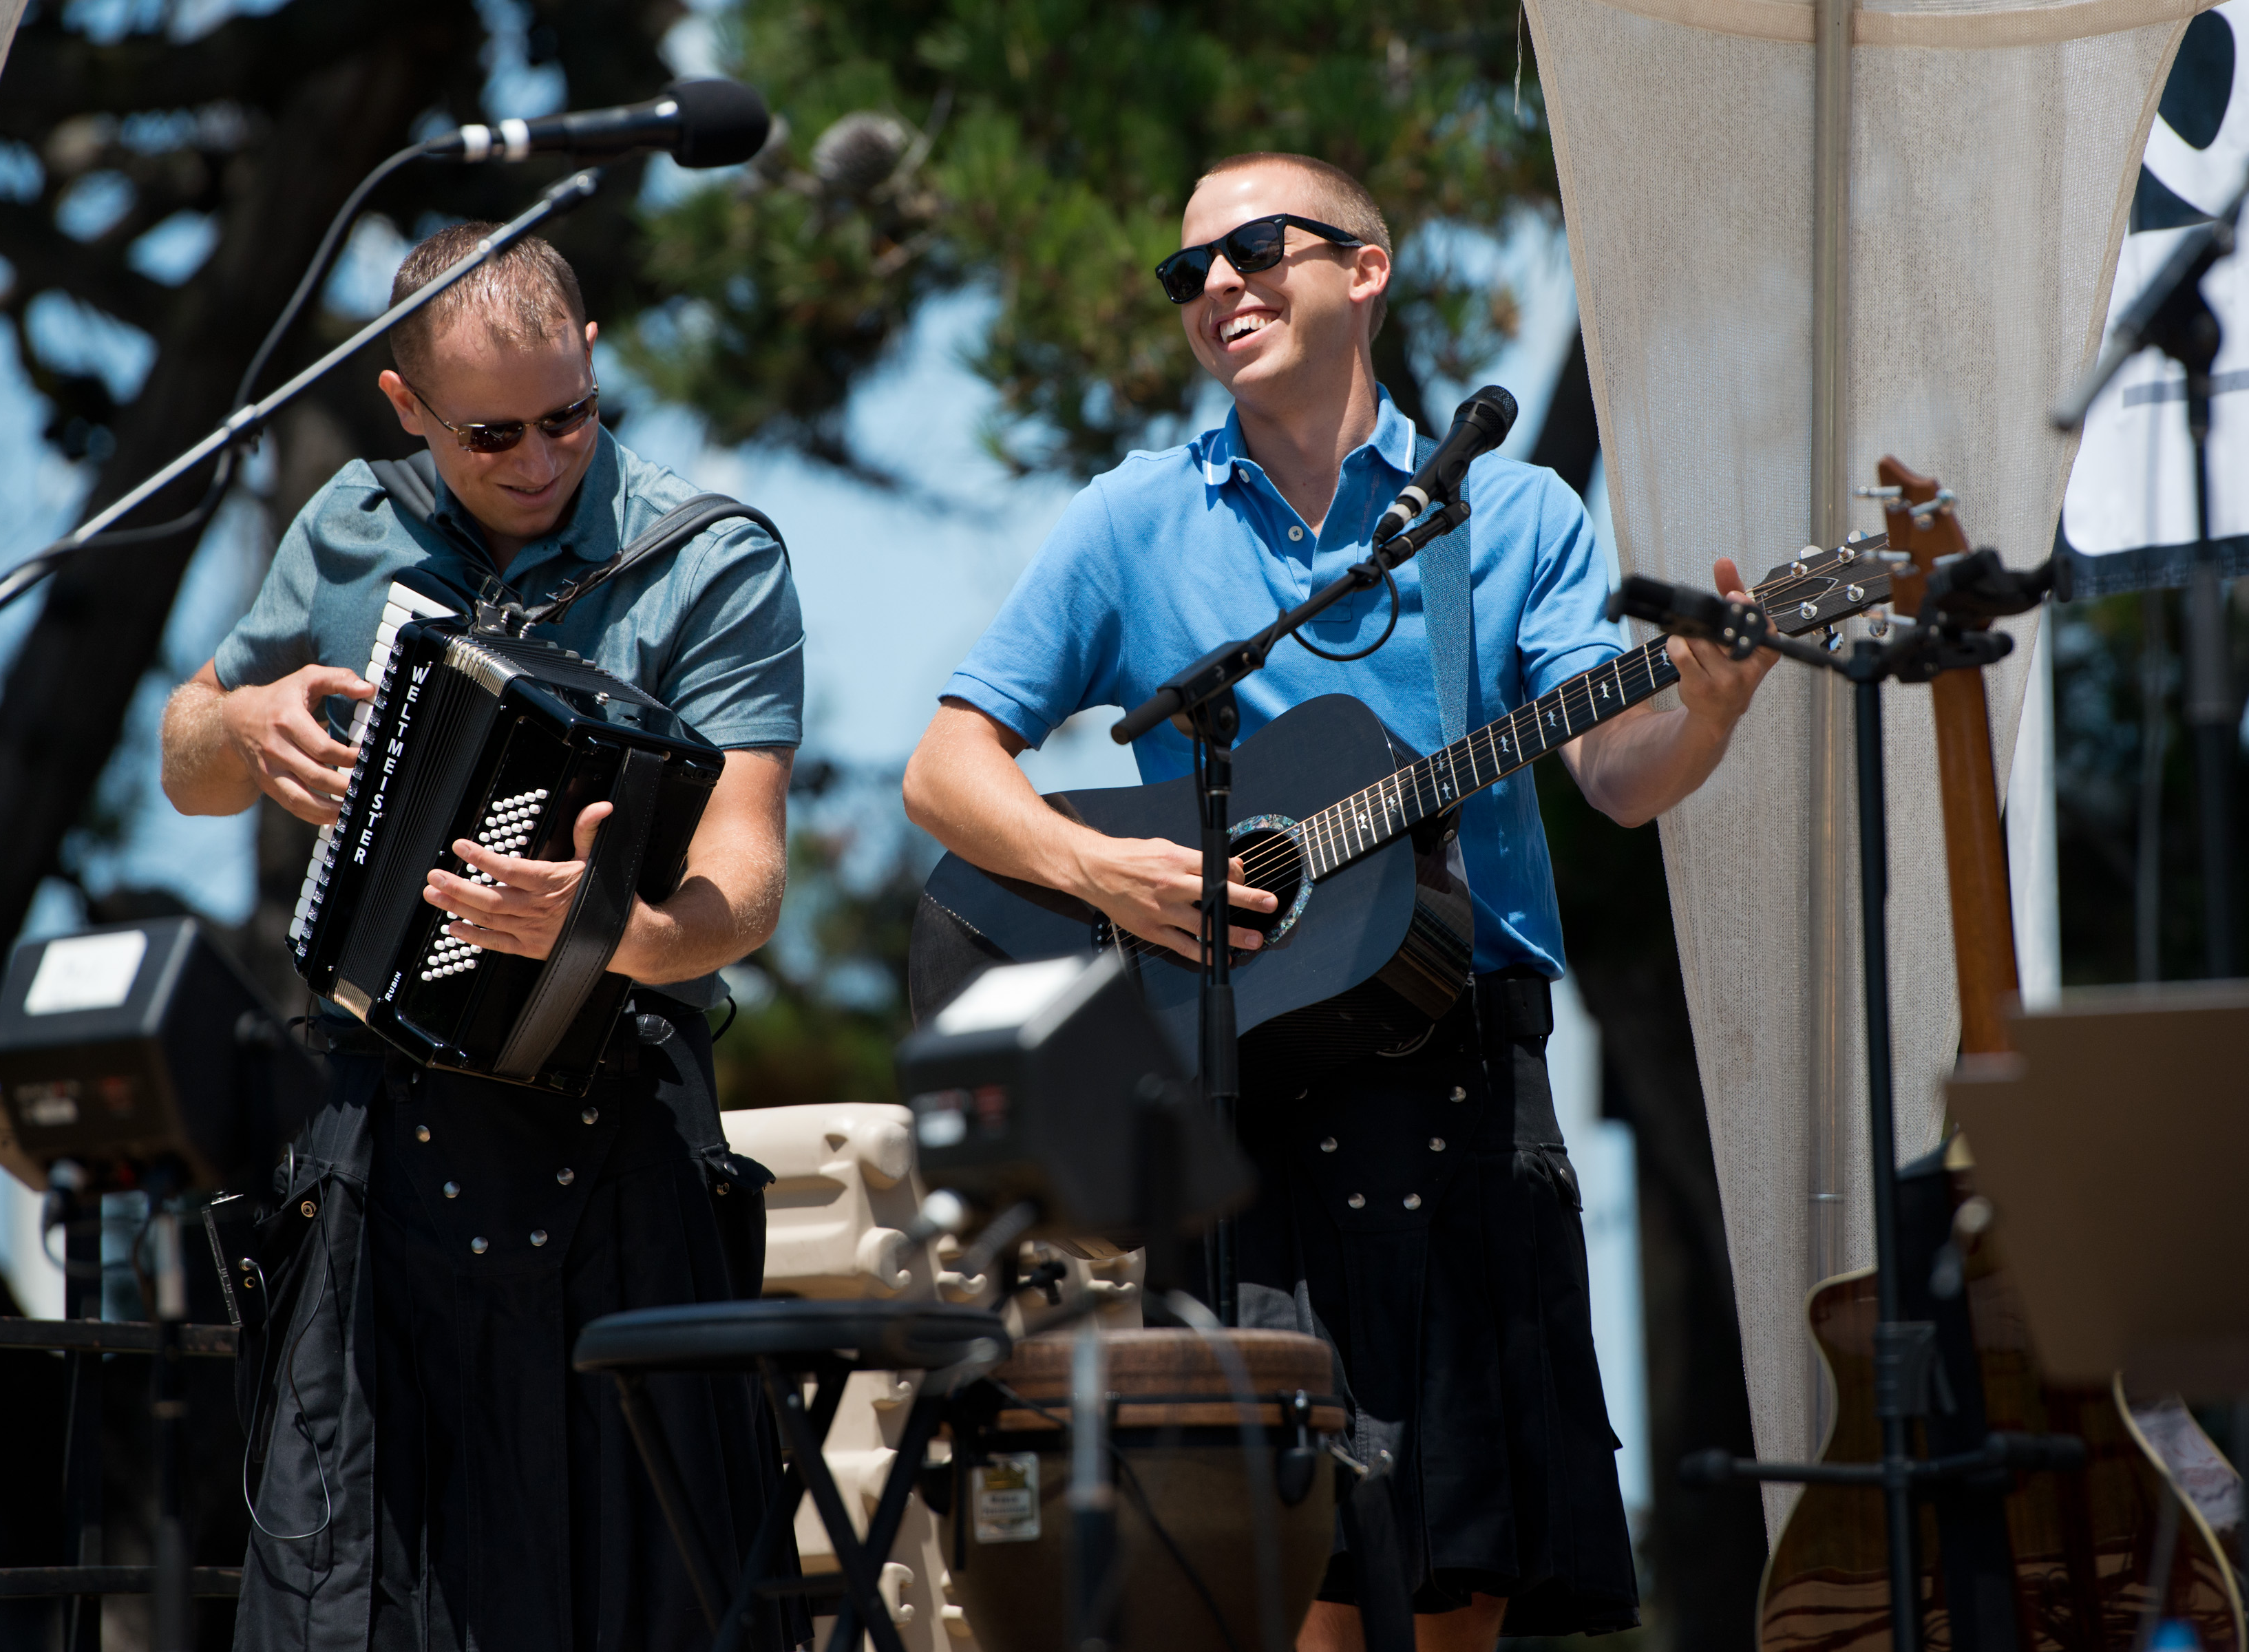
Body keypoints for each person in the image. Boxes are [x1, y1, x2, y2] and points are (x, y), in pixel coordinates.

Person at [902, 153, 1773, 1649]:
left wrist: (1707, 708)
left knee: (1461, 1577)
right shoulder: (1135, 520)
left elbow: (1618, 777)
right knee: (1284, 1574)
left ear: (1365, 270)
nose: (1219, 288)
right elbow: (944, 768)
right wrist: (1102, 867)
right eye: (1190, 274)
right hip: (1245, 1105)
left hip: (1467, 1072)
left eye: (1254, 251)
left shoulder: (1510, 514)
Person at [160, 225, 803, 1651]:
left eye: (567, 415)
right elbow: (183, 759)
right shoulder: (350, 522)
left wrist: (612, 934)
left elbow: (750, 881)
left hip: (612, 1139)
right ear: (407, 410)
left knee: (644, 1605)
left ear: (594, 360)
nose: (536, 457)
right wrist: (240, 724)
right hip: (383, 1138)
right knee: (355, 1603)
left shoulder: (710, 560)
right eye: (489, 432)